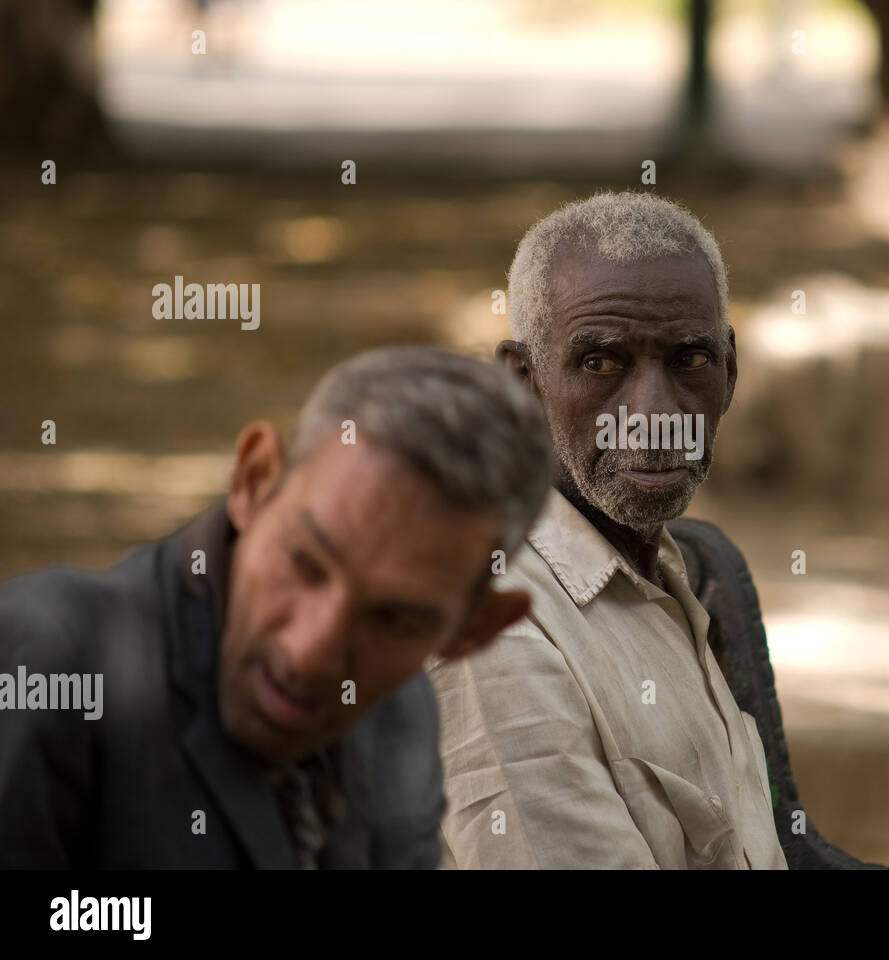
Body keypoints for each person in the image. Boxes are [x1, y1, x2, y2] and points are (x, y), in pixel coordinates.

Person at [0, 346, 549, 868]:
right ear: (255, 479)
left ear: (474, 631)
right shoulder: (53, 660)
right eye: (304, 564)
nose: (310, 651)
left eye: (393, 619)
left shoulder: (402, 717)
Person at [430, 191, 787, 869]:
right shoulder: (492, 628)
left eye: (689, 360)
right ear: (521, 384)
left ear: (730, 373)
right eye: (601, 364)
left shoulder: (659, 570)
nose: (652, 413)